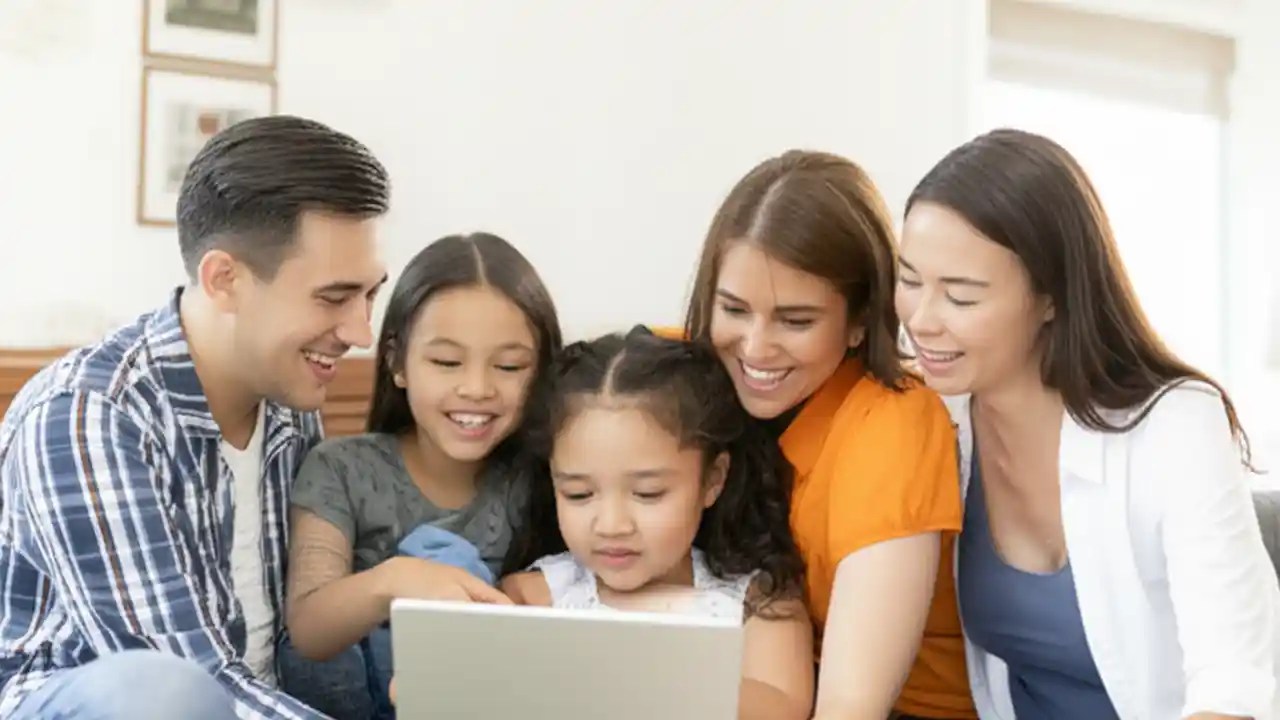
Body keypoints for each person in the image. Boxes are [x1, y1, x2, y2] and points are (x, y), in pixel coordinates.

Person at [0, 115, 391, 719]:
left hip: (261, 702)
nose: (361, 332)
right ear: (224, 280)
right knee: (166, 694)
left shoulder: (290, 401)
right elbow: (196, 684)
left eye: (370, 295)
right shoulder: (88, 417)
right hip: (113, 705)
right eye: (334, 298)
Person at [895, 127, 1280, 720]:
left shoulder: (1175, 426)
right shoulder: (933, 423)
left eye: (962, 297)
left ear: (1052, 297)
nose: (921, 320)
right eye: (910, 281)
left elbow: (1233, 682)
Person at [673, 150, 974, 719]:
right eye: (734, 309)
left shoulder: (895, 425)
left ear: (861, 319)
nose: (756, 347)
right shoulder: (681, 375)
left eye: (796, 321)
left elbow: (851, 710)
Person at [280, 232, 562, 719]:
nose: (476, 388)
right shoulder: (340, 469)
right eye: (446, 362)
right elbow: (307, 629)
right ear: (397, 362)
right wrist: (395, 581)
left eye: (510, 365)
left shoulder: (547, 480)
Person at [501, 328, 814, 720]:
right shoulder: (535, 597)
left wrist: (626, 676)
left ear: (712, 480)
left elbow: (781, 707)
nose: (612, 525)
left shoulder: (758, 602)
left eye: (648, 494)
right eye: (579, 494)